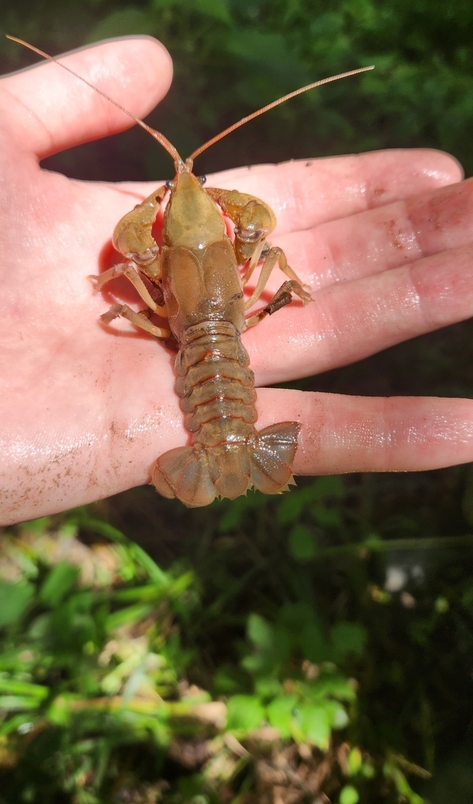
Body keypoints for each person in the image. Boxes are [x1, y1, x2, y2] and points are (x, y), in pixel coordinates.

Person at [1, 35, 473, 524]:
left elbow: (126, 262)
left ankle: (218, 453)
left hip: (196, 347)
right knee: (271, 252)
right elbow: (266, 244)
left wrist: (137, 238)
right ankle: (239, 451)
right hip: (222, 353)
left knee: (125, 277)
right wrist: (280, 271)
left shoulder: (154, 252)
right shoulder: (241, 247)